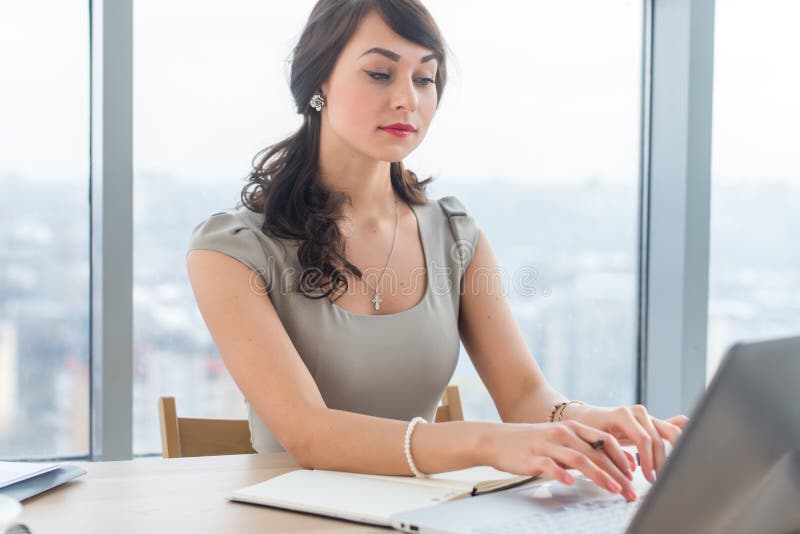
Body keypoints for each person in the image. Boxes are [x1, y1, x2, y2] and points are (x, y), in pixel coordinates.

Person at [186, 0, 688, 503]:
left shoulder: (455, 236)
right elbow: (308, 434)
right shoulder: (232, 251)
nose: (408, 100)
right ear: (318, 81)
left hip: (418, 514)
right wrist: (486, 441)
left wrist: (593, 422)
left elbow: (525, 397)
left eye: (425, 78)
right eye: (380, 73)